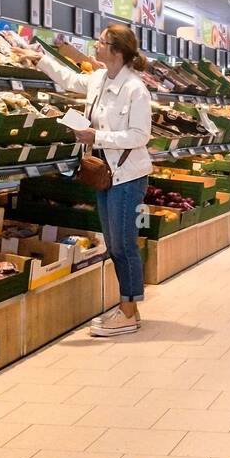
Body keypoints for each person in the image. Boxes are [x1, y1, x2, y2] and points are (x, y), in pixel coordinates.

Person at [38, 23, 152, 337]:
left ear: (116, 51)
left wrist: (96, 135)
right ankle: (129, 307)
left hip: (127, 177)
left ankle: (128, 311)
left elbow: (141, 135)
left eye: (101, 42)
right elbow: (71, 79)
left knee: (123, 244)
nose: (96, 46)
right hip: (104, 172)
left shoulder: (135, 89)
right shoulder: (101, 78)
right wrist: (37, 57)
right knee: (113, 243)